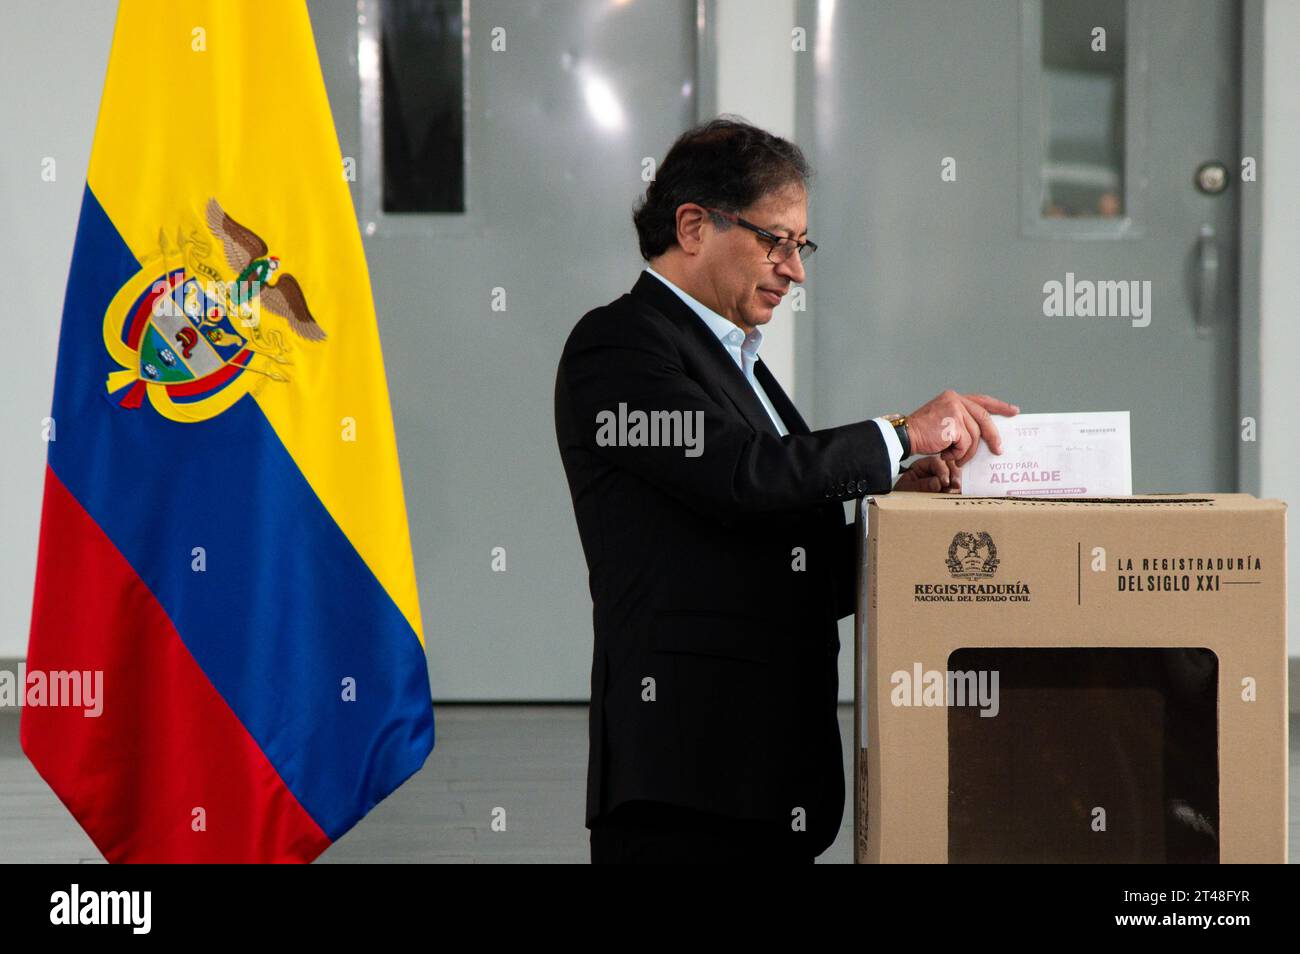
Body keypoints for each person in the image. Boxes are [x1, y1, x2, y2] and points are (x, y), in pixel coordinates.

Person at [553, 116, 1018, 863]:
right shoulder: (617, 347)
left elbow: (786, 557)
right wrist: (901, 431)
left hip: (765, 773)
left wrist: (901, 507)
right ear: (695, 225)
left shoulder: (737, 364)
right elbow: (740, 476)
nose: (794, 269)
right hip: (686, 774)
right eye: (776, 240)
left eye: (800, 246)